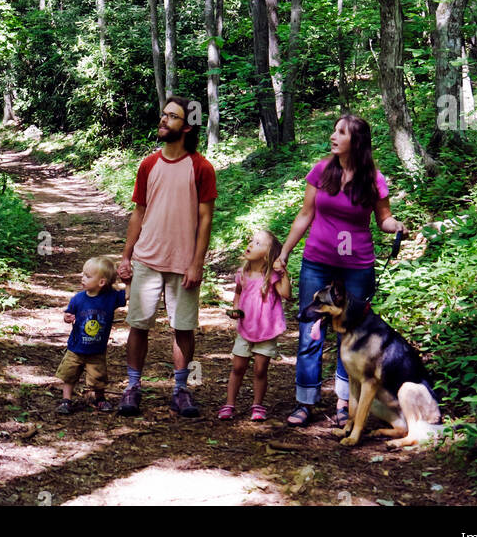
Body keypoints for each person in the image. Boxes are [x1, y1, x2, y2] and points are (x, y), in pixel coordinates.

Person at [275, 112, 406, 427]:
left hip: (357, 268)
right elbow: (305, 214)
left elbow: (383, 219)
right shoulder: (321, 170)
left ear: (356, 141)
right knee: (310, 329)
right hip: (318, 262)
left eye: (341, 132)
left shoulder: (373, 178)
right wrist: (284, 252)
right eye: (334, 131)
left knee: (351, 335)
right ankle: (305, 402)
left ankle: (345, 403)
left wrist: (396, 226)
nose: (333, 136)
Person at [116, 94, 217, 418]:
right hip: (147, 258)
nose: (163, 120)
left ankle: (180, 391)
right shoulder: (148, 164)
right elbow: (138, 212)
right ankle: (132, 387)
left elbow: (205, 219)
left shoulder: (201, 167)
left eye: (172, 116)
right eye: (164, 114)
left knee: (183, 328)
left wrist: (196, 263)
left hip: (182, 263)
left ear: (187, 127)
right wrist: (126, 256)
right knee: (138, 325)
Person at [217, 229, 291, 422]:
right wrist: (235, 309)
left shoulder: (272, 276)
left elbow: (286, 294)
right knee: (238, 367)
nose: (251, 245)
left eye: (258, 243)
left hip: (267, 330)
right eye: (251, 241)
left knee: (260, 369)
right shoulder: (242, 273)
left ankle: (257, 405)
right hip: (246, 328)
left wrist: (282, 272)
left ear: (268, 254)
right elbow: (238, 294)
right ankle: (229, 404)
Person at [57, 254, 128, 415]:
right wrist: (67, 318)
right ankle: (66, 400)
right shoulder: (78, 299)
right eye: (83, 274)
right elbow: (68, 315)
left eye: (88, 276)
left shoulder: (111, 298)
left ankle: (100, 399)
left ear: (101, 282)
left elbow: (128, 295)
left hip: (97, 349)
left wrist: (128, 282)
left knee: (98, 377)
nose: (82, 278)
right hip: (75, 347)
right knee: (69, 375)